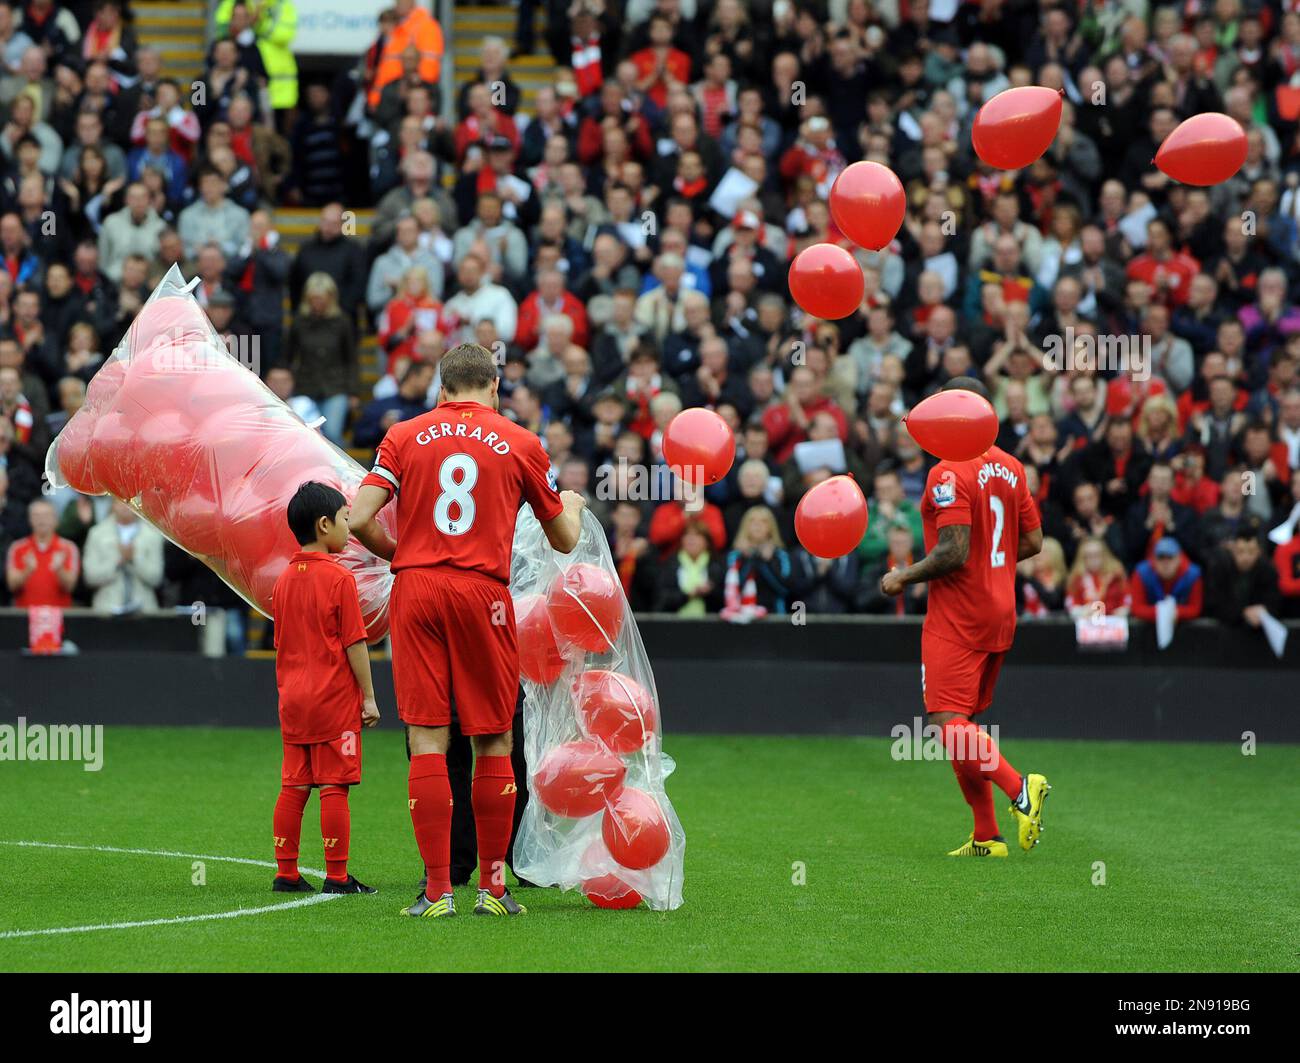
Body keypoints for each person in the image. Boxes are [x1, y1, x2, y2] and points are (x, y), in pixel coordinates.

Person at [348, 342, 586, 918]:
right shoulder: (522, 442)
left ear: (442, 389)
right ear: (495, 388)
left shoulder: (404, 435)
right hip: (485, 595)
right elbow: (563, 539)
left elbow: (356, 519)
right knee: (494, 738)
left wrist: (402, 553)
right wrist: (573, 503)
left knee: (429, 737)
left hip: (418, 590)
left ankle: (436, 893)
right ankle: (494, 890)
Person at [879, 377, 1050, 857]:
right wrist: (991, 565)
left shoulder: (948, 470)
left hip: (959, 614)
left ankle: (1021, 788)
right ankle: (986, 836)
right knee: (964, 726)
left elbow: (953, 551)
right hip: (1001, 611)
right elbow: (1034, 543)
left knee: (944, 720)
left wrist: (902, 577)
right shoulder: (1012, 466)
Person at [270, 481, 380, 896]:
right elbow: (355, 642)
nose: (349, 528)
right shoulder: (339, 578)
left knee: (294, 784)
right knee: (334, 785)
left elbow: (282, 644)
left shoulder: (282, 580)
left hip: (293, 699)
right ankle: (336, 876)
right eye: (345, 519)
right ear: (323, 524)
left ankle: (286, 871)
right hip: (332, 699)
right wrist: (368, 697)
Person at [5, 497, 78, 607]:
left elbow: (71, 586)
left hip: (59, 617)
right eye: (36, 516)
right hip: (25, 617)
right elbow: (11, 585)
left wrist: (60, 570)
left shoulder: (68, 548)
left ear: (56, 519)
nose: (41, 520)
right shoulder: (17, 548)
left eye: (46, 515)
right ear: (29, 519)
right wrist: (27, 570)